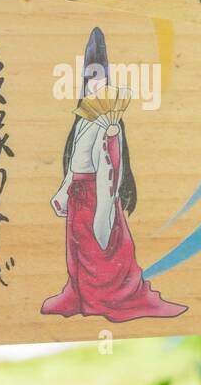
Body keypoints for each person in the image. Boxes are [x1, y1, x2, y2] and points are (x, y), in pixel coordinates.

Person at [42, 28, 186, 322]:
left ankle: (110, 299)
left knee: (104, 251)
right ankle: (79, 293)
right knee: (79, 252)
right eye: (90, 81)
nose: (95, 88)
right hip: (78, 195)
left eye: (100, 81)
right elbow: (74, 163)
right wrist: (63, 191)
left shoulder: (110, 126)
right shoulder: (83, 120)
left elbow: (110, 173)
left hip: (98, 196)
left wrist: (103, 214)